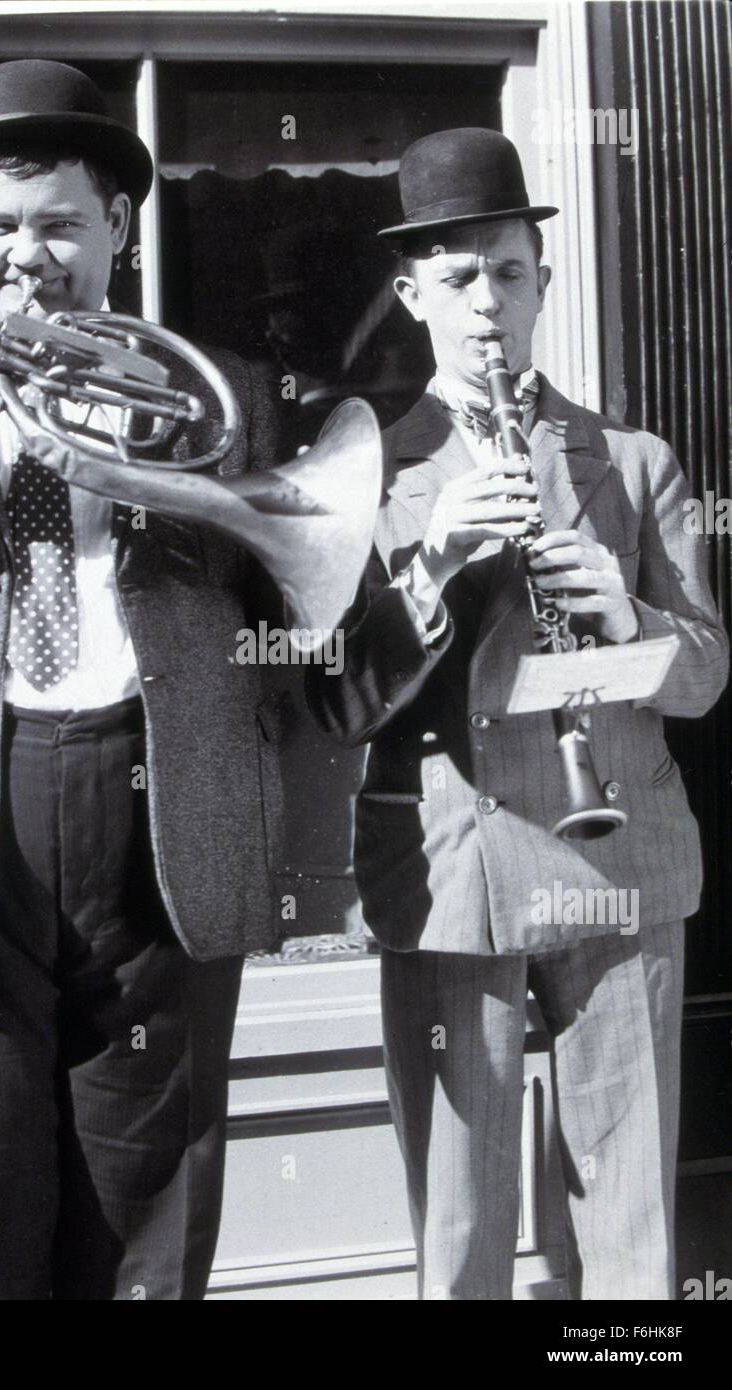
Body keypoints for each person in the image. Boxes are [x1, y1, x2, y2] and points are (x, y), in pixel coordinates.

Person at [0, 60, 283, 1300]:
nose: (25, 256)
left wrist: (167, 481)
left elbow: (294, 609)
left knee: (150, 1207)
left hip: (160, 805)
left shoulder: (217, 391)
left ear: (120, 231)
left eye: (58, 225)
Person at [306, 127, 729, 1300]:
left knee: (637, 1225)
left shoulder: (634, 461)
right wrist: (431, 565)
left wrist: (632, 618)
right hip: (454, 874)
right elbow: (332, 699)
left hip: (623, 863)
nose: (484, 302)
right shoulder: (366, 468)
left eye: (505, 269)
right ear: (410, 294)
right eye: (455, 276)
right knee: (463, 1232)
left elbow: (705, 673)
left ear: (542, 279)